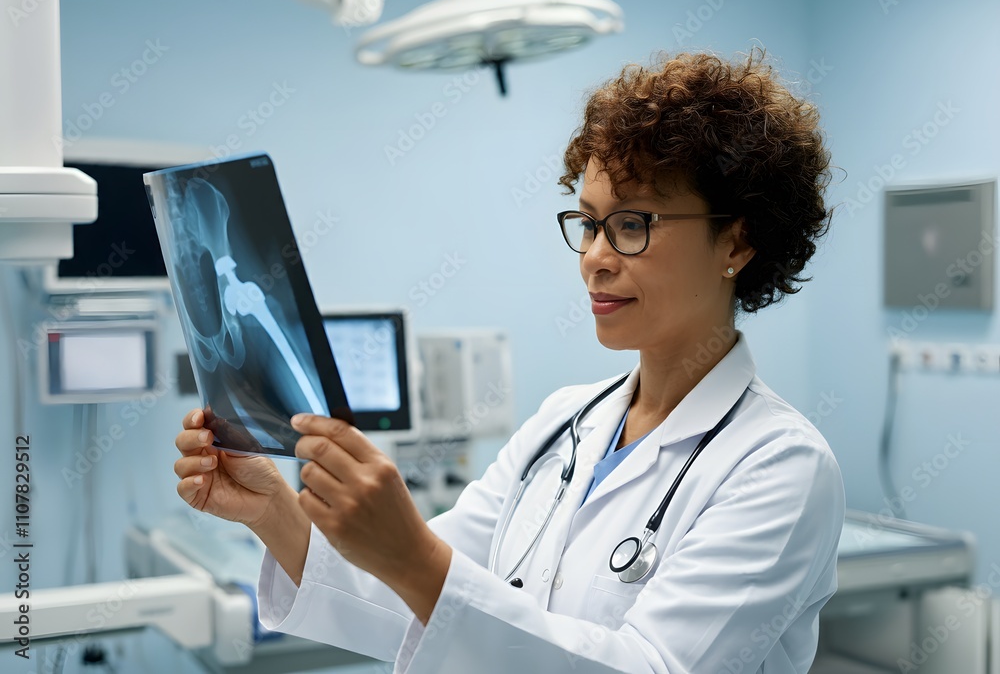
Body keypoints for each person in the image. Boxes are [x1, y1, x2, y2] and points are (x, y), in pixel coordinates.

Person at [173, 48, 845, 674]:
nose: (595, 258)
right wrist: (273, 513)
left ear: (737, 240)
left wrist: (414, 555)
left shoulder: (779, 466)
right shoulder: (563, 425)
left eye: (632, 224)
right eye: (587, 223)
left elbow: (651, 666)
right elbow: (410, 604)